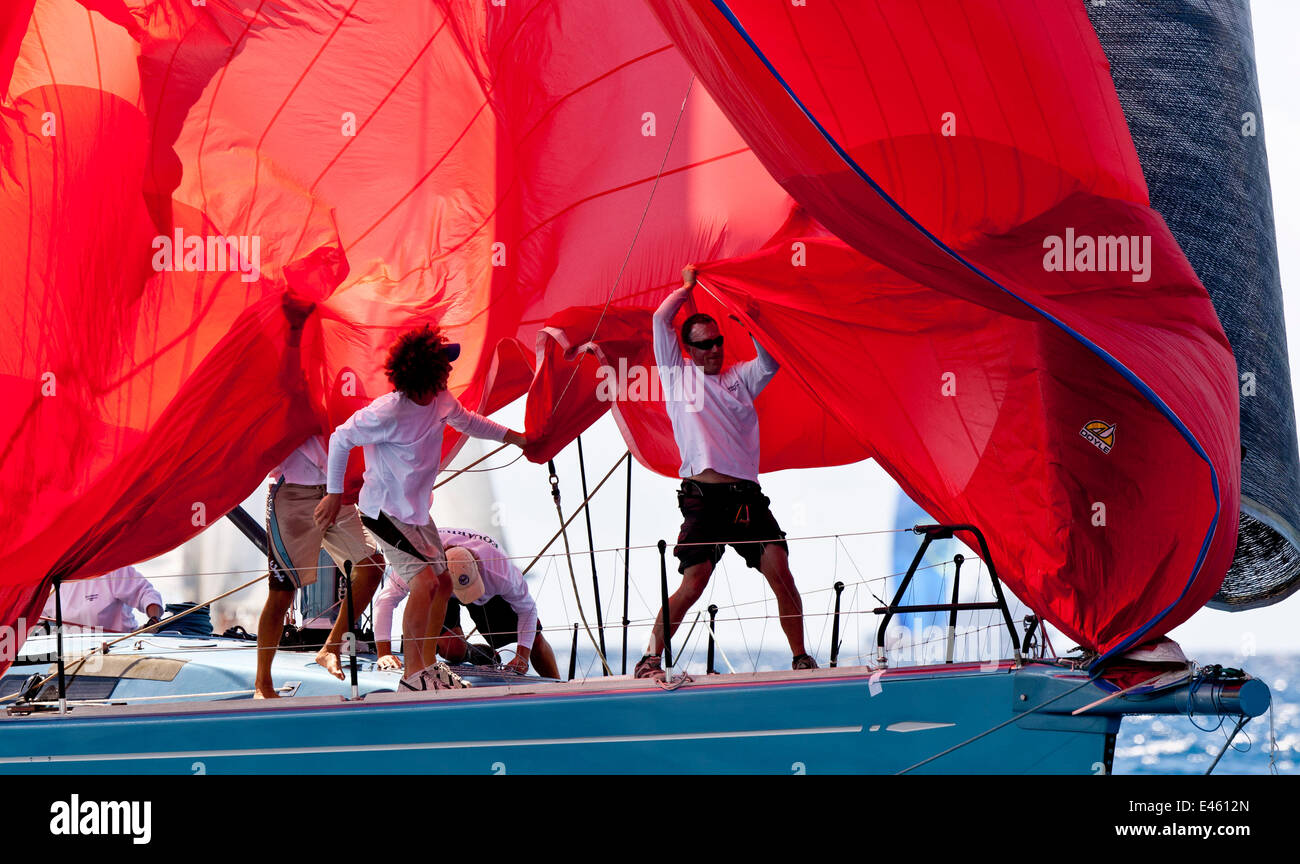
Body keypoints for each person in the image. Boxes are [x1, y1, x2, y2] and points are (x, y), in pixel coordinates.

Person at [315, 326, 527, 685]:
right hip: (383, 512)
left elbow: (470, 422)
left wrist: (517, 439)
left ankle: (426, 664)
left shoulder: (441, 400)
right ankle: (414, 673)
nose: (449, 371)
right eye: (444, 366)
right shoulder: (387, 412)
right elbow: (340, 439)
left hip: (415, 513)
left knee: (444, 583)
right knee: (425, 583)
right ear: (425, 377)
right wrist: (334, 494)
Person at [636, 265, 816, 679]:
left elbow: (770, 361)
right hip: (703, 496)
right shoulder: (676, 375)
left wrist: (750, 318)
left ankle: (800, 656)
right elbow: (659, 320)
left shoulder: (740, 378)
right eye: (704, 345)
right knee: (694, 579)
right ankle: (650, 657)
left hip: (745, 499)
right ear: (688, 349)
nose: (714, 350)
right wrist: (686, 288)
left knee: (780, 570)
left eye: (717, 341)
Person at [256, 434, 387, 698]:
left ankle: (330, 648)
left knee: (372, 566)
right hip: (292, 491)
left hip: (335, 489)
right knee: (282, 592)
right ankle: (263, 685)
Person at [371, 527, 559, 679]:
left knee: (534, 637)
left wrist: (522, 655)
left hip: (486, 589)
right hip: (438, 583)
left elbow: (527, 609)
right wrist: (384, 653)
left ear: (478, 563)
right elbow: (385, 600)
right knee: (452, 650)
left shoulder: (500, 570)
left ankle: (558, 684)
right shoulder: (418, 561)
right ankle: (472, 652)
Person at [41, 565, 163, 632]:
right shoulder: (49, 581)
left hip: (120, 651)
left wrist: (154, 620)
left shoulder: (113, 568)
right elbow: (36, 624)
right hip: (71, 656)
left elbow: (146, 594)